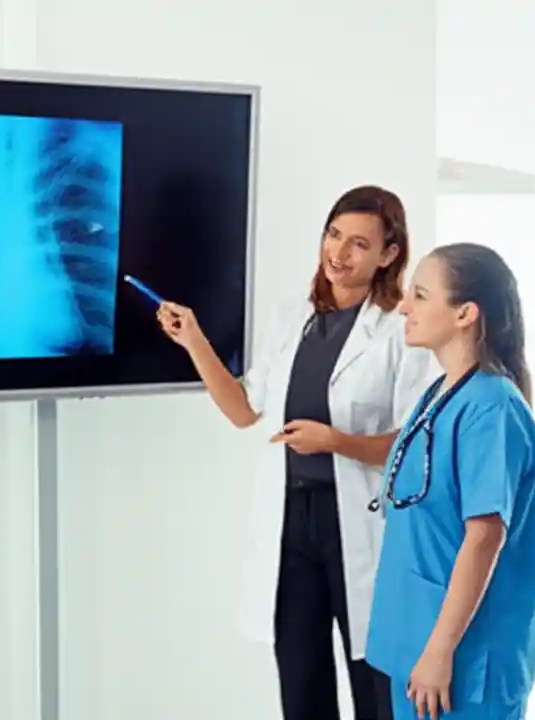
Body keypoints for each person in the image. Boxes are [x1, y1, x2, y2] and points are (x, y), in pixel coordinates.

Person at [156, 185, 434, 720]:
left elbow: (413, 444)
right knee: (302, 683)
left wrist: (337, 442)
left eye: (358, 243)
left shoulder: (400, 331)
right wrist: (194, 341)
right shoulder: (293, 317)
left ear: (389, 254)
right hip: (292, 523)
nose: (339, 253)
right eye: (333, 235)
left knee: (374, 681)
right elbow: (243, 410)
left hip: (358, 523)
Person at [366, 243, 535, 720]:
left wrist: (439, 652)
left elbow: (484, 537)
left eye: (421, 295)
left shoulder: (492, 407)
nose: (404, 306)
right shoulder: (439, 393)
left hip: (461, 660)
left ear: (466, 313)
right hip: (414, 642)